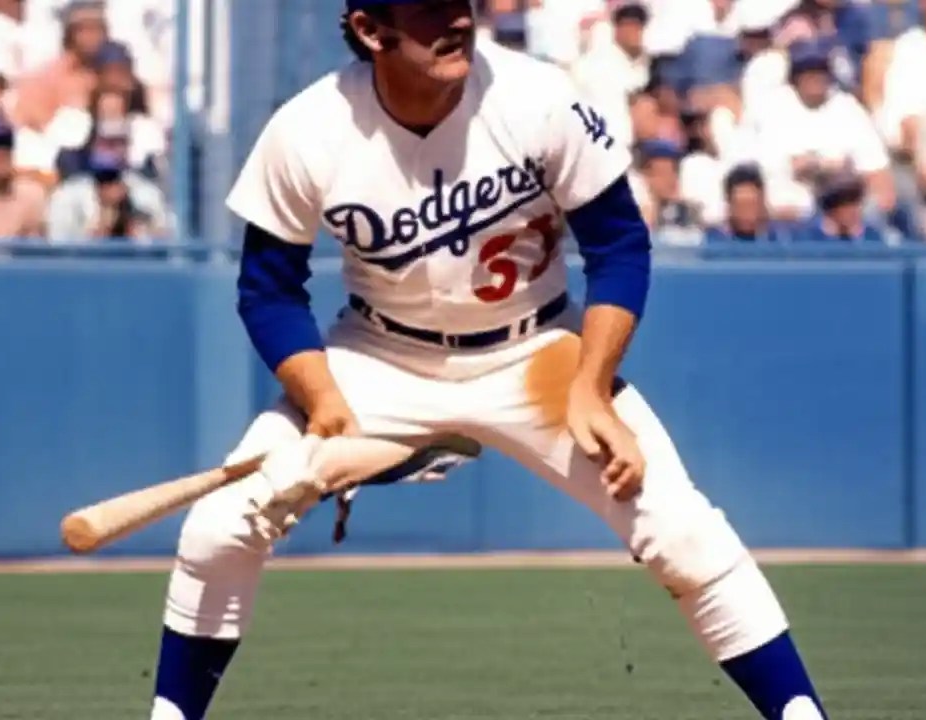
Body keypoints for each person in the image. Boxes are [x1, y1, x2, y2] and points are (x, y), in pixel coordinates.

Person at [144, 2, 832, 720]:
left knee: (680, 528)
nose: (457, 19)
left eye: (460, 2)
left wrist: (592, 387)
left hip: (535, 353)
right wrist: (322, 399)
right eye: (428, 9)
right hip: (379, 357)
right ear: (371, 30)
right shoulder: (307, 131)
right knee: (220, 524)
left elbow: (619, 247)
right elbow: (268, 290)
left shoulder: (538, 98)